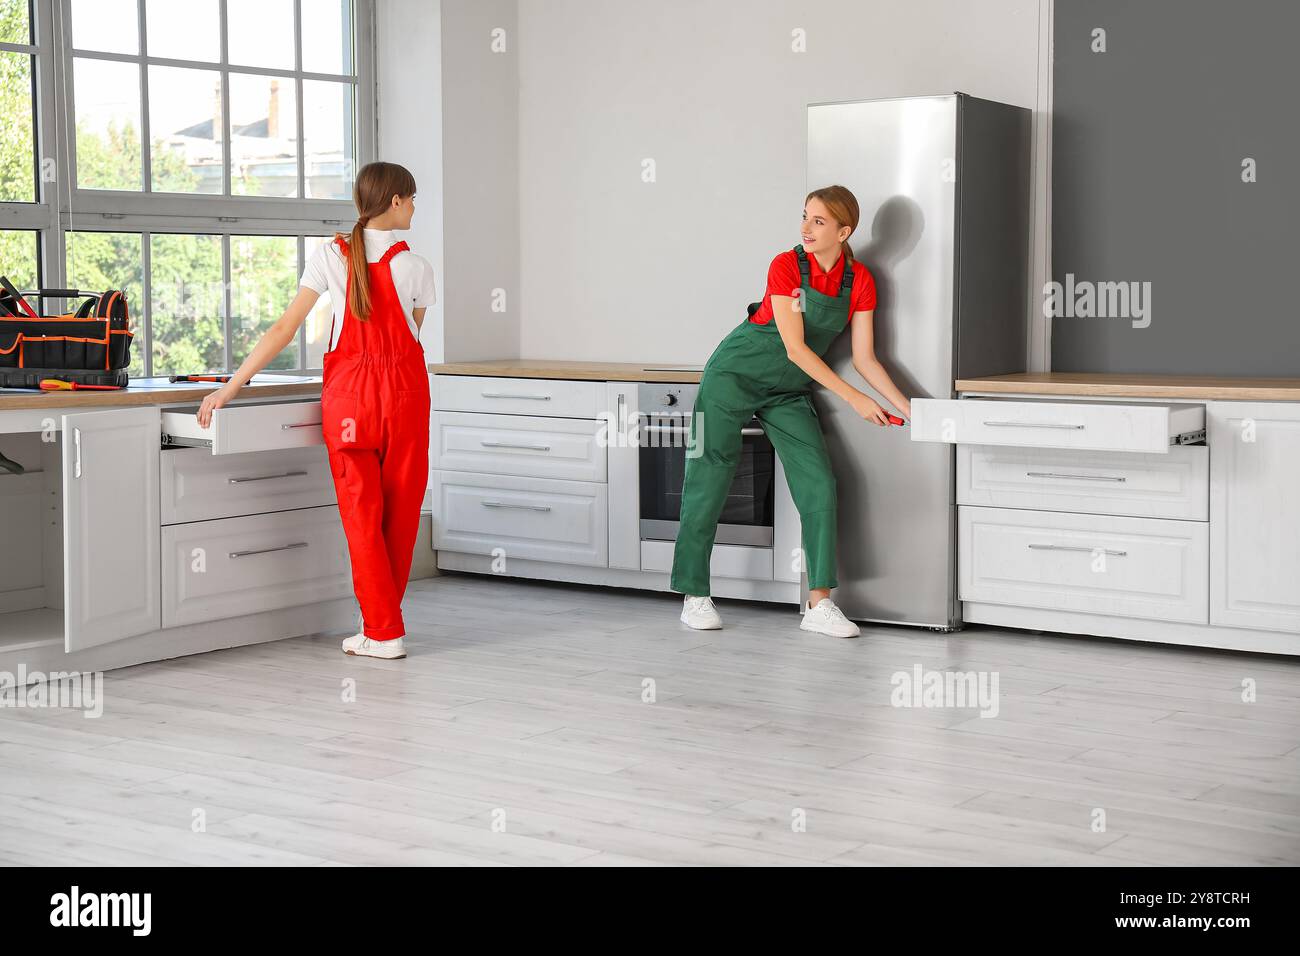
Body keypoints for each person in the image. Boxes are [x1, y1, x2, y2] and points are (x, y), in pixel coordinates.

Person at [196, 161, 436, 660]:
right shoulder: (416, 267)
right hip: (405, 399)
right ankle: (382, 628)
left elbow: (284, 329)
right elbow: (414, 334)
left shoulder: (330, 255)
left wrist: (230, 388)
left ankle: (382, 631)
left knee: (361, 518)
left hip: (350, 401)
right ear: (394, 201)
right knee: (400, 516)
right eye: (411, 198)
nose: (415, 207)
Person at [671, 185, 911, 638]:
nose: (806, 227)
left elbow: (866, 359)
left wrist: (909, 407)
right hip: (732, 376)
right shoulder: (786, 266)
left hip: (787, 390)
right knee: (709, 477)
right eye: (804, 216)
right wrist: (854, 399)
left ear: (844, 231)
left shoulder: (858, 280)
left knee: (818, 482)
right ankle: (694, 594)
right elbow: (796, 348)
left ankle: (819, 604)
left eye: (818, 221)